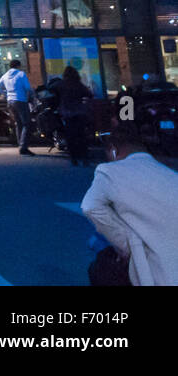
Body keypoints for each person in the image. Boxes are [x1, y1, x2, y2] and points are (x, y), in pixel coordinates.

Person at [80, 120, 178, 285]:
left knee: (101, 265)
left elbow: (90, 207)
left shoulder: (109, 171)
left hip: (156, 272)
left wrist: (126, 245)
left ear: (113, 150)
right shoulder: (170, 175)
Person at [0, 58, 36, 155]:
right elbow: (28, 88)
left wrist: (5, 93)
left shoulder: (5, 75)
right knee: (27, 123)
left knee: (18, 123)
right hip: (20, 100)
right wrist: (32, 96)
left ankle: (20, 144)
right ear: (18, 66)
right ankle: (23, 146)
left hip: (10, 101)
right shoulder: (21, 74)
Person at [60, 65, 93, 166]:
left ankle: (73, 157)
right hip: (79, 112)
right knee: (81, 135)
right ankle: (84, 157)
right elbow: (89, 94)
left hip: (67, 113)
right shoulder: (78, 84)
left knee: (70, 136)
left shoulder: (62, 85)